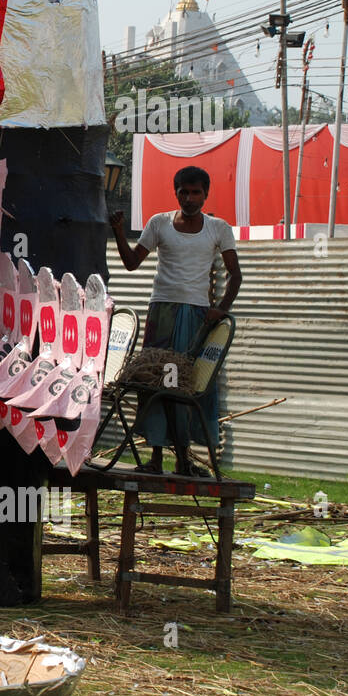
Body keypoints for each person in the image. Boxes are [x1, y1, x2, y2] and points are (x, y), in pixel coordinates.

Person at [110, 165, 242, 475]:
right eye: (184, 191)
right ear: (176, 192)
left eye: (196, 192)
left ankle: (184, 459)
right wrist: (118, 230)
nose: (190, 197)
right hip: (162, 314)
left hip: (196, 315)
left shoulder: (219, 228)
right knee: (155, 381)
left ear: (206, 194)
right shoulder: (159, 223)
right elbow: (131, 263)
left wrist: (220, 308)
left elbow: (235, 275)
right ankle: (155, 460)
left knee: (184, 386)